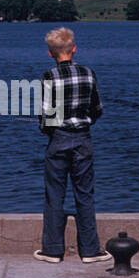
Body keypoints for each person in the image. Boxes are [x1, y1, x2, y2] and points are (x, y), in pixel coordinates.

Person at [35, 28, 111, 264]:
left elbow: (45, 118)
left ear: (50, 54)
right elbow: (97, 110)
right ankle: (90, 250)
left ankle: (52, 250)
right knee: (85, 195)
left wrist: (51, 130)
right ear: (74, 49)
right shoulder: (89, 74)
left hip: (58, 139)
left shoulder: (48, 77)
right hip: (83, 139)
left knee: (54, 195)